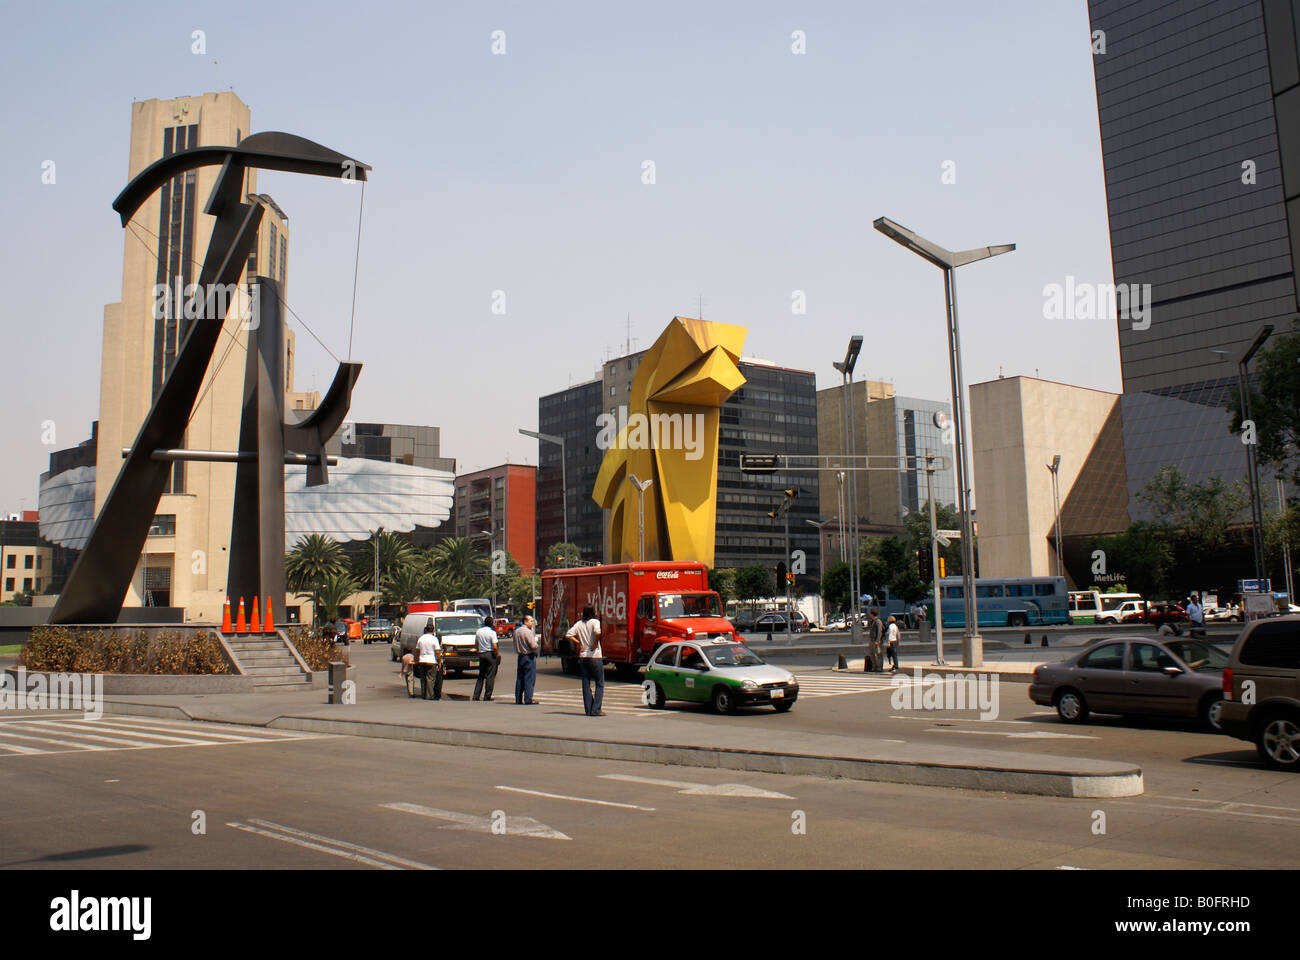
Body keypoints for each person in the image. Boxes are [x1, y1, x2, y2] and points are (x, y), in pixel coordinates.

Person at [566, 604, 604, 716]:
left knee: (586, 683)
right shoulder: (595, 622)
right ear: (593, 611)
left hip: (583, 656)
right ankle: (596, 709)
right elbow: (598, 632)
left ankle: (588, 709)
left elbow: (568, 634)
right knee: (599, 683)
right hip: (595, 656)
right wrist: (595, 643)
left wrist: (579, 643)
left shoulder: (579, 624)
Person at [514, 615, 540, 705]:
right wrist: (536, 644)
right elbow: (533, 645)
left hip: (520, 656)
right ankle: (528, 698)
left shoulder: (516, 631)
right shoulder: (528, 632)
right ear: (525, 622)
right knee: (529, 678)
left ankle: (518, 698)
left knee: (520, 678)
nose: (532, 623)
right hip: (528, 656)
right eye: (531, 621)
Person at [473, 616, 500, 701]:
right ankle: (487, 695)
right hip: (490, 654)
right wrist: (496, 655)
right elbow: (495, 647)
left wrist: (478, 652)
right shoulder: (492, 633)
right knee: (490, 676)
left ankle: (476, 695)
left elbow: (476, 644)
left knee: (481, 675)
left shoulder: (479, 631)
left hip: (482, 653)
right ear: (491, 624)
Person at [415, 620, 443, 701]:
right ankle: (429, 695)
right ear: (433, 630)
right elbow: (437, 652)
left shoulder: (421, 638)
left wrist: (416, 660)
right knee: (430, 679)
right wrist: (439, 662)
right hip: (431, 661)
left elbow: (417, 650)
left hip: (422, 660)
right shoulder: (434, 639)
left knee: (423, 679)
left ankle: (423, 694)